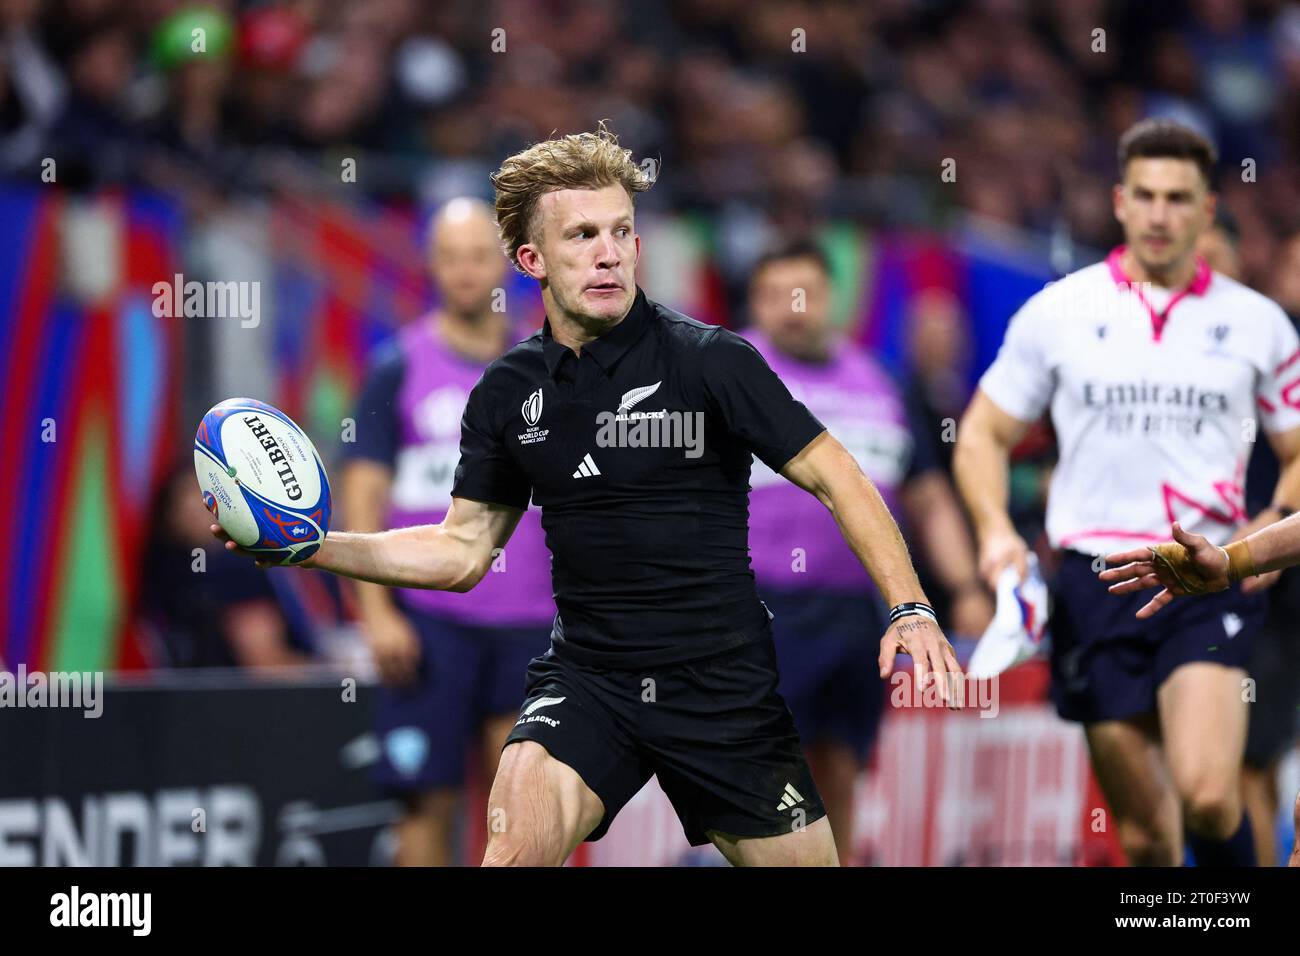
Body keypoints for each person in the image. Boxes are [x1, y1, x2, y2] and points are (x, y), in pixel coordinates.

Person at [214, 123, 959, 867]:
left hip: (721, 687)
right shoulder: (507, 393)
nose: (607, 252)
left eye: (620, 232)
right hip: (589, 680)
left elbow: (840, 476)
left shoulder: (713, 363)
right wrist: (314, 547)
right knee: (511, 846)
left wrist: (910, 604)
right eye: (580, 236)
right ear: (531, 259)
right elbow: (462, 549)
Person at [953, 118, 1300, 867]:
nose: (1159, 213)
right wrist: (994, 532)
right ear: (1119, 201)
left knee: (1210, 795)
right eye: (1144, 195)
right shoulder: (1060, 312)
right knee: (1144, 840)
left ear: (1207, 209)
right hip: (1094, 580)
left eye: (1178, 198)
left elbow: (1297, 450)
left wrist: (1270, 526)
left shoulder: (1258, 324)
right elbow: (980, 435)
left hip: (1203, 573)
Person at [742, 239, 991, 864]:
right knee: (763, 771)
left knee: (839, 761)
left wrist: (962, 588)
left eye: (807, 295)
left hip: (855, 616)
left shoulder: (881, 385)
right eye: (777, 296)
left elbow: (929, 498)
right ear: (755, 303)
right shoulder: (729, 378)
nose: (793, 310)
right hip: (754, 613)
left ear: (836, 299)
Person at [341, 197, 554, 866]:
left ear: (508, 263)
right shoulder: (396, 366)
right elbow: (362, 495)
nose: (465, 272)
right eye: (450, 257)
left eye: (477, 256)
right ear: (431, 266)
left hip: (530, 625)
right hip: (429, 620)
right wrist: (376, 614)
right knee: (423, 801)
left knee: (521, 806)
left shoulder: (548, 367)